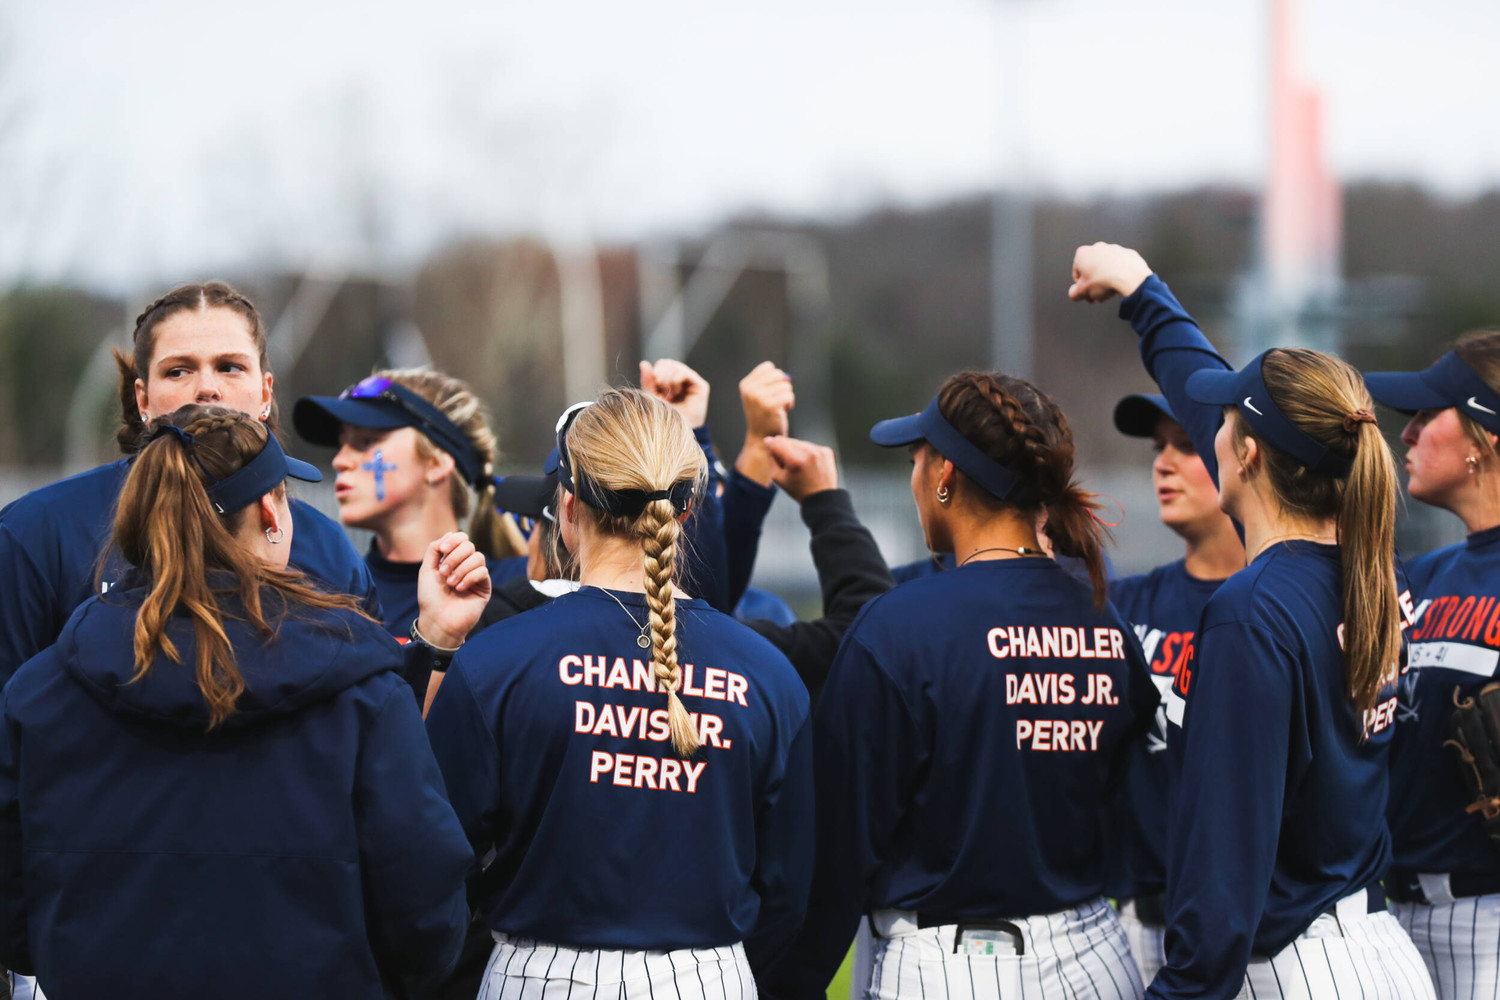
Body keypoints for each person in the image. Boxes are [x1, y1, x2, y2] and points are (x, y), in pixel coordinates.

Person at [0, 405, 485, 999]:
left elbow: (15, 900)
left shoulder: (41, 691)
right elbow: (425, 912)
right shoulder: (358, 688)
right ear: (269, 512)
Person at [1069, 241, 1434, 999]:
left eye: (1224, 423)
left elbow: (1222, 861)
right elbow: (1216, 408)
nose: (1209, 431)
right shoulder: (1374, 573)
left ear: (1250, 458)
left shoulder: (1250, 611)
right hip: (1371, 948)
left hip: (1299, 966)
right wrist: (1143, 293)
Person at [772, 370, 1158, 1000]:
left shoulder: (900, 623)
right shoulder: (1100, 612)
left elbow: (837, 853)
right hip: (1092, 954)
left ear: (946, 474)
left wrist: (793, 982)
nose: (915, 475)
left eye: (918, 458)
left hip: (946, 968)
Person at [424, 388, 814, 1000]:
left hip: (542, 975)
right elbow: (789, 889)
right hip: (711, 977)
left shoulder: (496, 660)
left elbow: (433, 858)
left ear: (569, 506)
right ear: (687, 511)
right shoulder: (770, 676)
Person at [0, 282, 379, 690]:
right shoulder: (37, 533)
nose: (207, 388)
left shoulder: (328, 550)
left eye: (230, 366)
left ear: (265, 392)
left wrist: (433, 642)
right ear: (142, 400)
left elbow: (369, 707)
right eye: (178, 370)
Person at [1364, 337, 1500, 999]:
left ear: (1484, 437)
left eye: (1428, 414)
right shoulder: (1422, 577)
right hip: (1394, 922)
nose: (1408, 432)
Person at [1104, 392, 1243, 981]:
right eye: (1159, 448)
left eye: (1186, 446)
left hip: (1263, 930)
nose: (1162, 462)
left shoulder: (1286, 604)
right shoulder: (1124, 605)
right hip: (1139, 925)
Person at [292, 369, 528, 640]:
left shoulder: (524, 593)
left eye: (366, 441)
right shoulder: (327, 599)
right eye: (341, 444)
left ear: (436, 463)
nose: (339, 461)